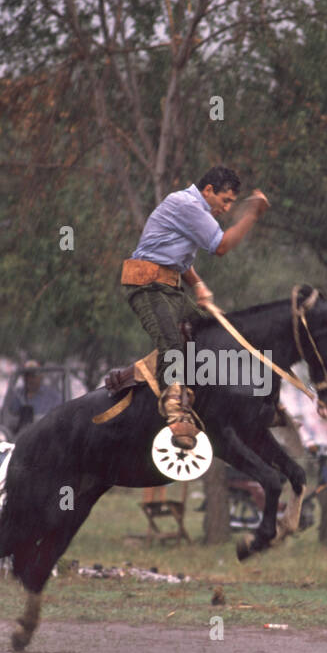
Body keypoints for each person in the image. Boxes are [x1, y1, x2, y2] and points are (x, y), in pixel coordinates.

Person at [121, 166, 270, 449]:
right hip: (147, 286)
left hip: (171, 288)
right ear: (208, 191)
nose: (226, 209)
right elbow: (221, 246)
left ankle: (241, 398)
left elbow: (174, 255)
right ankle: (176, 414)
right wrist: (251, 213)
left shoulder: (192, 210)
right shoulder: (185, 204)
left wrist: (198, 285)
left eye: (232, 204)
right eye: (225, 200)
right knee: (173, 345)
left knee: (221, 330)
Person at [3, 361, 62, 433]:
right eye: (27, 376)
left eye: (33, 376)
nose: (29, 379)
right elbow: (7, 418)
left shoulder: (53, 396)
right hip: (21, 436)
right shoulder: (16, 395)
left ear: (41, 376)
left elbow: (59, 419)